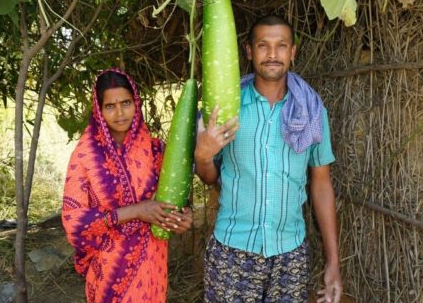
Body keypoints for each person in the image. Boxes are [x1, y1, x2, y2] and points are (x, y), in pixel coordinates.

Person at [195, 15, 343, 303]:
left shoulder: (311, 111)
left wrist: (333, 261)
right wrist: (202, 155)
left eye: (281, 46)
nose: (273, 54)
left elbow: (322, 185)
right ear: (249, 51)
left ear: (293, 52)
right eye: (263, 45)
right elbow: (209, 176)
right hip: (232, 251)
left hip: (291, 255)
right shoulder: (227, 108)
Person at [62, 68, 194, 303]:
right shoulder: (86, 156)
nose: (120, 113)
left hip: (153, 261)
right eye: (110, 106)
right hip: (111, 269)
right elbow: (74, 221)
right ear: (99, 110)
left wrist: (183, 218)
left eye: (126, 102)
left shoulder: (156, 150)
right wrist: (137, 211)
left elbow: (175, 200)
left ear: (136, 103)